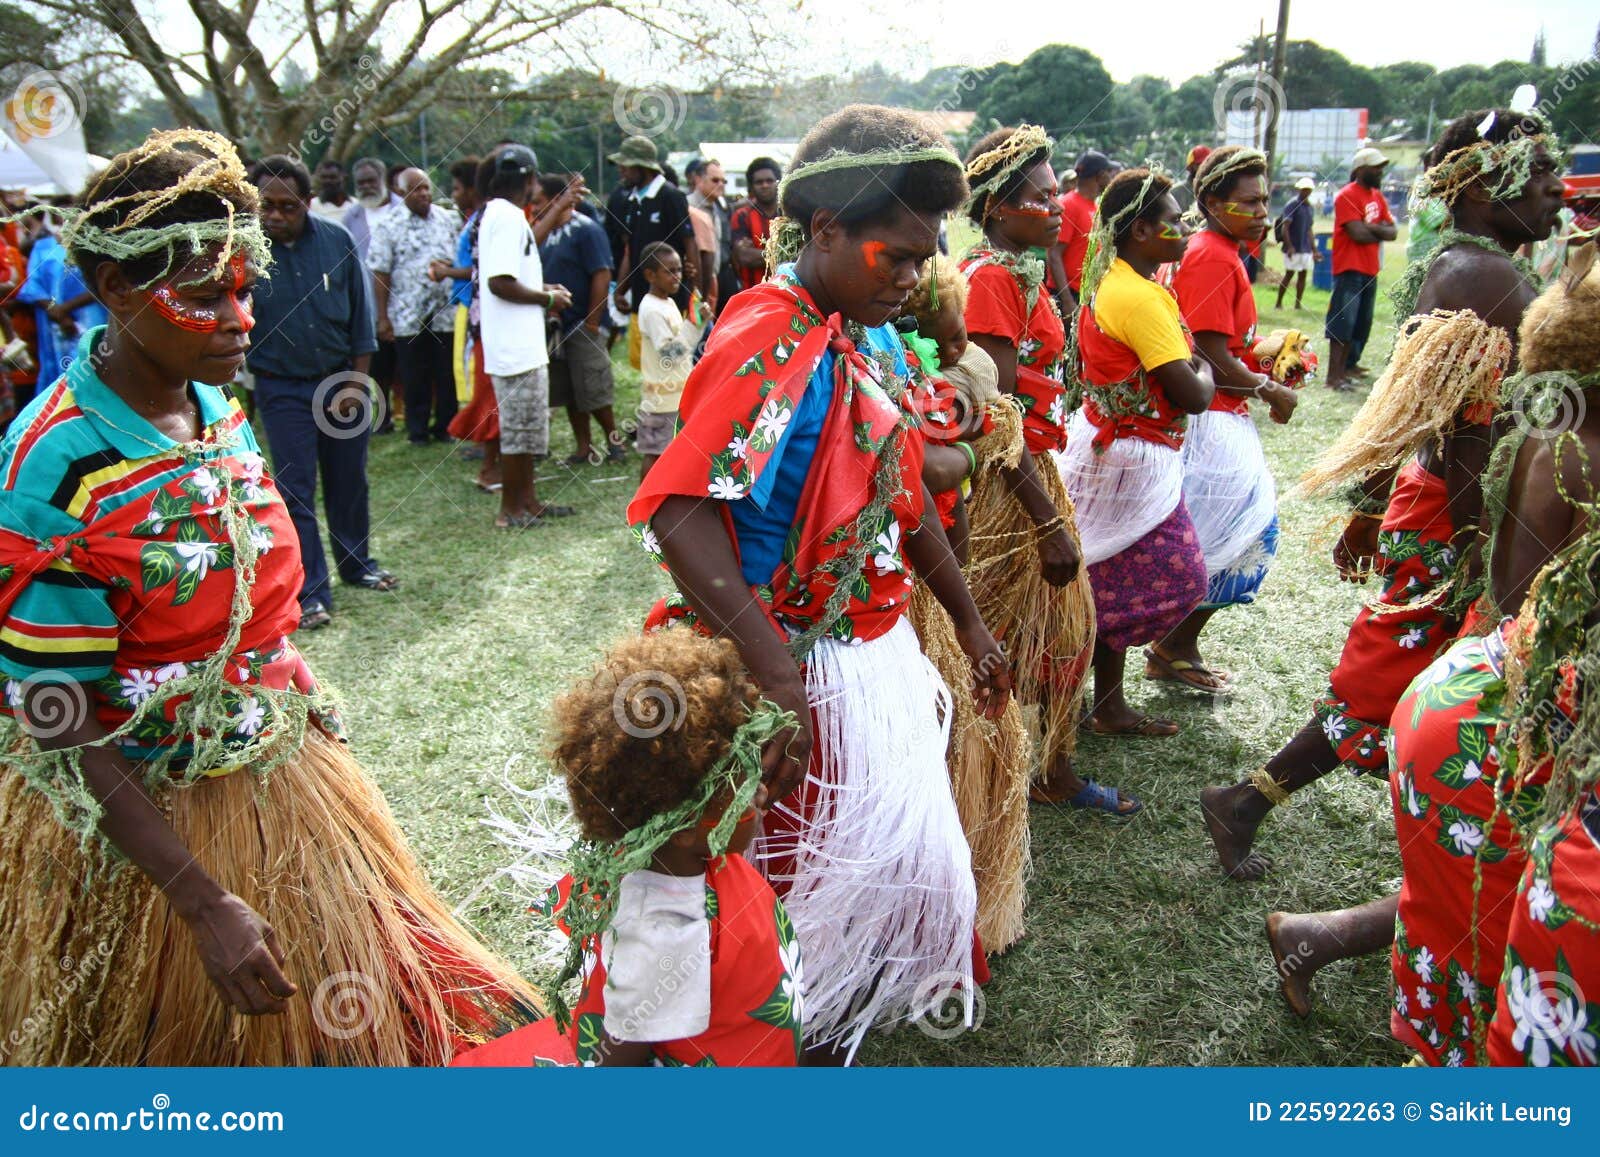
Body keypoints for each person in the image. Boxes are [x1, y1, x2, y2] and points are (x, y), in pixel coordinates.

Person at [0, 130, 536, 1065]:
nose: (241, 319)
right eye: (205, 298)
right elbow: (58, 714)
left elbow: (254, 600)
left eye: (243, 290)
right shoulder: (51, 466)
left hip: (282, 785)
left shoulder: (215, 406)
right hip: (149, 842)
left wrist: (300, 698)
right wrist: (200, 900)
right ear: (117, 289)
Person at [627, 105, 1010, 1064]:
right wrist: (778, 676)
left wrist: (968, 623)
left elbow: (905, 495)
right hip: (784, 660)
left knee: (898, 863)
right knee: (761, 878)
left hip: (869, 658)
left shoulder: (861, 333)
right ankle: (737, 1028)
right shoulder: (771, 335)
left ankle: (829, 993)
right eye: (898, 255)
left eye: (927, 258)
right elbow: (681, 510)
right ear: (825, 231)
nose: (916, 278)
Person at [1203, 110, 1566, 883]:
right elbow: (1465, 433)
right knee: (1391, 676)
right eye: (1536, 180)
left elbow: (1415, 410)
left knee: (1413, 676)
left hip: (1451, 504)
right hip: (1460, 514)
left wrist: (1375, 507)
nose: (1555, 193)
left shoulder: (1475, 264)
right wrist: (1483, 553)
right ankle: (1244, 801)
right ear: (1477, 186)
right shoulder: (1484, 276)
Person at [543, 629, 803, 1066]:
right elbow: (621, 1060)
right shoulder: (662, 927)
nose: (760, 791)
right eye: (740, 785)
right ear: (683, 824)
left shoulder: (704, 860)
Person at [959, 125, 1120, 813]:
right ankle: (992, 770)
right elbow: (996, 413)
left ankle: (1049, 765)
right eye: (1041, 197)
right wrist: (1047, 519)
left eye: (1058, 195)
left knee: (1059, 630)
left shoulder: (1014, 269)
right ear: (996, 207)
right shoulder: (991, 279)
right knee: (1017, 631)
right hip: (1009, 487)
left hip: (1031, 472)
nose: (1058, 207)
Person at [902, 258, 1036, 950]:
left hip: (943, 585)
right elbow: (925, 466)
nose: (962, 353)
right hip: (907, 601)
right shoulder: (903, 387)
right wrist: (971, 451)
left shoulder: (948, 384)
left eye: (963, 340)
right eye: (948, 343)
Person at [1056, 167, 1214, 739]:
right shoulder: (1140, 297)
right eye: (1173, 222)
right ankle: (1075, 672)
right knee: (1181, 572)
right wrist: (1207, 368)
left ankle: (1105, 704)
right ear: (1142, 230)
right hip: (1131, 456)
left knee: (1109, 576)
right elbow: (1192, 394)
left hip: (1115, 447)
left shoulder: (1117, 283)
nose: (1183, 230)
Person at [1160, 147, 1298, 692]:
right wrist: (1269, 388)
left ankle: (1174, 644)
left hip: (1217, 412)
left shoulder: (1216, 249)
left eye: (1266, 198)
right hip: (1211, 419)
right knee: (1243, 536)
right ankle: (1172, 642)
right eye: (1250, 201)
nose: (1264, 211)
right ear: (1214, 202)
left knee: (1220, 535)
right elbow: (1210, 353)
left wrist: (1263, 357)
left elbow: (1220, 342)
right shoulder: (1214, 255)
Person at [247, 154, 397, 632]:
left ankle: (358, 564)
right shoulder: (244, 254)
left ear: (306, 202)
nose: (274, 215)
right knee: (294, 489)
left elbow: (361, 319)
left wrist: (357, 380)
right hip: (280, 386)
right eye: (265, 206)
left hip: (339, 380)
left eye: (286, 206)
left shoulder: (337, 240)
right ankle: (311, 593)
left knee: (349, 478)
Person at [477, 145, 578, 529]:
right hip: (514, 348)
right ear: (529, 180)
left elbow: (513, 271)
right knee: (518, 435)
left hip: (522, 344)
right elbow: (500, 282)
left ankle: (529, 501)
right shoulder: (504, 217)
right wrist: (548, 297)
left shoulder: (504, 215)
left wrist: (542, 287)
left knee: (530, 431)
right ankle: (510, 510)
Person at [368, 167, 460, 446]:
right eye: (415, 189)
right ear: (400, 192)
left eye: (426, 188)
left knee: (446, 373)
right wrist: (382, 317)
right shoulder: (389, 225)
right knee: (414, 374)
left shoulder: (447, 219)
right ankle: (417, 429)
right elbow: (380, 272)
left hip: (445, 311)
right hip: (408, 314)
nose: (423, 194)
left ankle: (445, 425)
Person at [535, 173, 622, 467]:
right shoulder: (543, 235)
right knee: (571, 390)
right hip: (558, 326)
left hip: (583, 323)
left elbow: (601, 273)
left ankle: (614, 441)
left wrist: (593, 321)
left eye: (538, 202)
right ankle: (583, 446)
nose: (534, 208)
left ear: (555, 200)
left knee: (594, 387)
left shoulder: (586, 230)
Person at [1324, 146, 1396, 390]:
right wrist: (1379, 230)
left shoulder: (1377, 196)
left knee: (1360, 325)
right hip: (1349, 268)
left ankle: (1346, 369)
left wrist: (1370, 228)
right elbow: (1357, 234)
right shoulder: (1346, 195)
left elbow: (1393, 232)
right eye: (1376, 167)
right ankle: (1333, 377)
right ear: (1360, 169)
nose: (1380, 171)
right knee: (1343, 323)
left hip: (1369, 269)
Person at [633, 242, 703, 479]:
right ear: (650, 275)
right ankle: (645, 504)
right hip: (661, 400)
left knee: (670, 450)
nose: (677, 276)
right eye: (670, 271)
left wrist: (696, 322)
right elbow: (670, 355)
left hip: (675, 395)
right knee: (655, 454)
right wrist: (694, 326)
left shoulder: (667, 302)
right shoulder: (652, 309)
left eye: (679, 270)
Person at [342, 157, 402, 431]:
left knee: (408, 362)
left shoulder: (402, 210)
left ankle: (414, 417)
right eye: (361, 183)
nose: (367, 187)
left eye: (371, 181)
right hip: (368, 300)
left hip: (404, 299)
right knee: (378, 363)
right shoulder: (350, 218)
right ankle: (383, 416)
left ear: (383, 180)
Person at [609, 135, 697, 317]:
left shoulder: (670, 196)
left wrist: (695, 297)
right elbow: (630, 250)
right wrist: (620, 290)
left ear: (642, 166)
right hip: (640, 305)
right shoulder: (630, 200)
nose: (621, 170)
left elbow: (690, 244)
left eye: (626, 165)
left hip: (670, 305)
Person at [1049, 149, 1116, 315]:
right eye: (1109, 172)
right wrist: (1067, 301)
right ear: (1100, 176)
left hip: (1085, 295)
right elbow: (1054, 254)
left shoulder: (1094, 206)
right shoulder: (1069, 205)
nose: (1112, 177)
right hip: (1069, 295)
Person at [688, 158, 737, 315]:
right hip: (694, 284)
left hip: (718, 280)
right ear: (698, 179)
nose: (720, 184)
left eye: (724, 181)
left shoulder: (719, 209)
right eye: (715, 180)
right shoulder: (686, 207)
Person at [729, 157, 781, 293]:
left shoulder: (791, 214)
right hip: (753, 295)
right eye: (759, 182)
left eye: (769, 181)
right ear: (751, 186)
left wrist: (758, 254)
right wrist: (787, 254)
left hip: (788, 292)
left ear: (778, 183)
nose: (765, 185)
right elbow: (744, 257)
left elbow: (803, 254)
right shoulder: (742, 216)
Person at [1274, 176, 1317, 311]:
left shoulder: (1310, 207)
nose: (1306, 192)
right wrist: (1290, 246)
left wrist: (1314, 249)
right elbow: (1285, 227)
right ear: (1299, 189)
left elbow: (1309, 229)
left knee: (1303, 275)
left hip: (1305, 247)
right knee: (1289, 274)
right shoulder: (1292, 205)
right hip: (1293, 246)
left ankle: (1298, 304)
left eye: (1309, 190)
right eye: (1304, 189)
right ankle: (1279, 303)